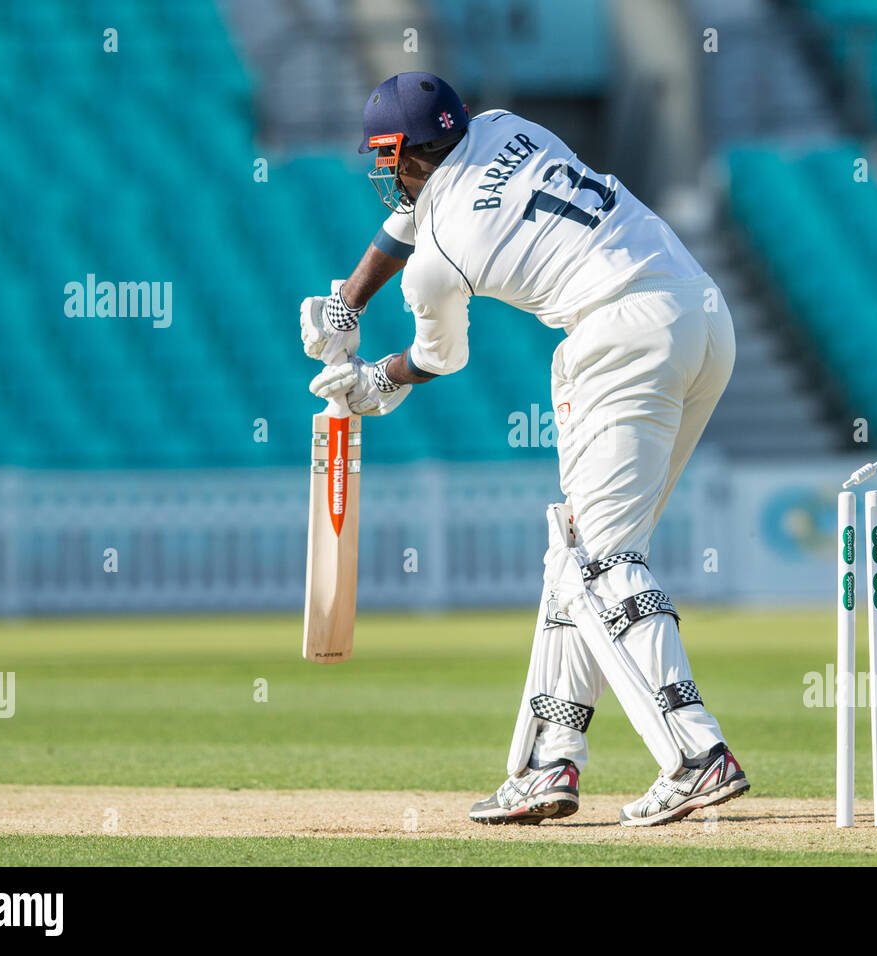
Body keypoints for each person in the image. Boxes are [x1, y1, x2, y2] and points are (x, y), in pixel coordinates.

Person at [298, 73, 748, 827]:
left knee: (601, 563)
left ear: (403, 152)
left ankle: (697, 755)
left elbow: (438, 357)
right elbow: (416, 215)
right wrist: (348, 301)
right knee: (580, 555)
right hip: (702, 316)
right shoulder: (507, 125)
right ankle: (548, 762)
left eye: (387, 158)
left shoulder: (442, 254)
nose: (384, 174)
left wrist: (378, 378)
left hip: (619, 337)